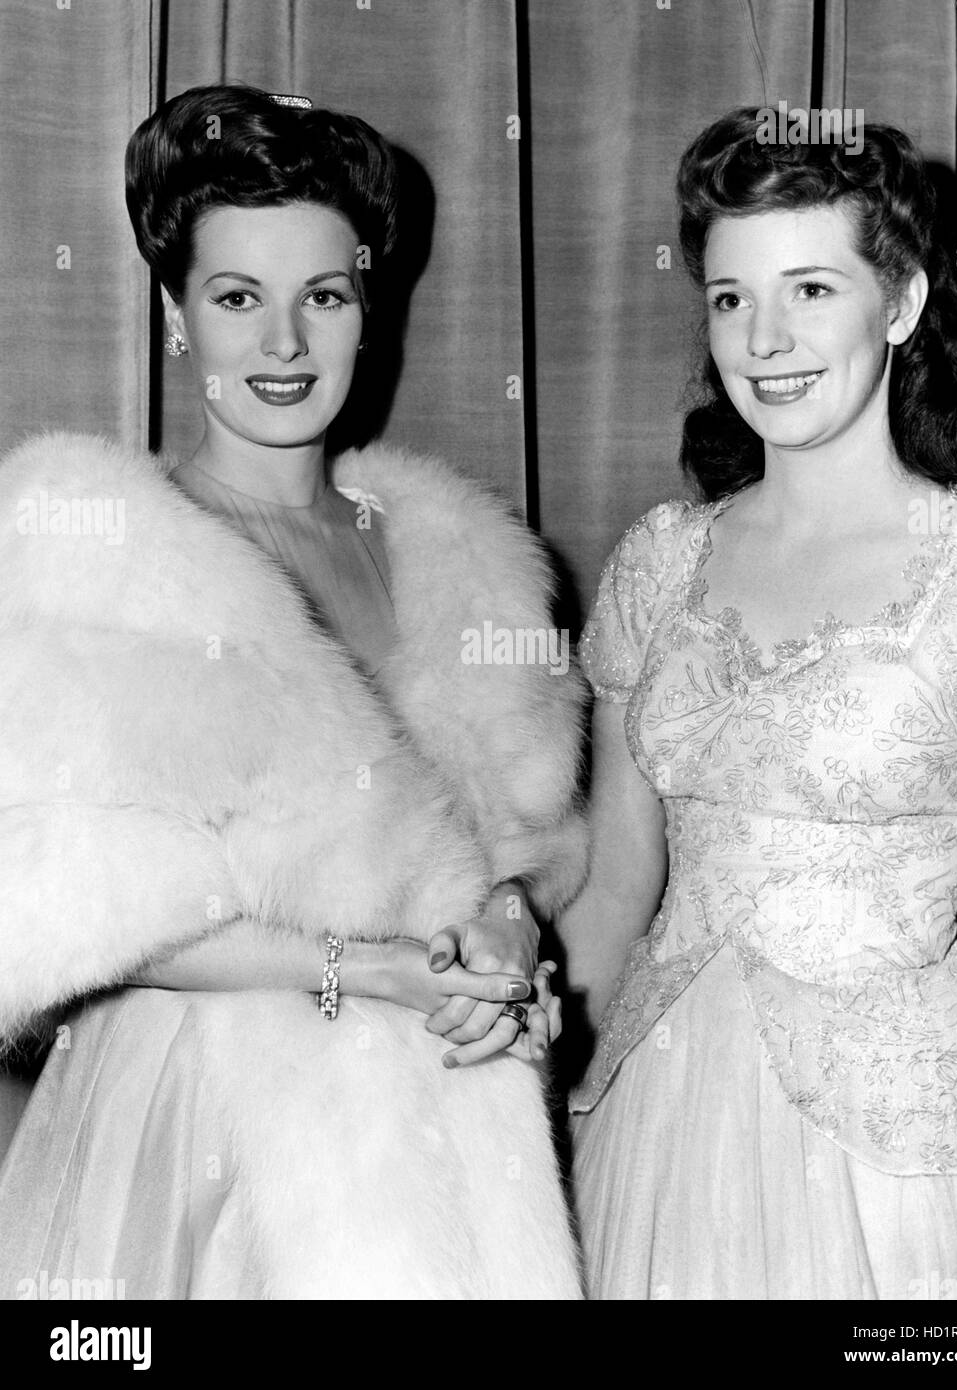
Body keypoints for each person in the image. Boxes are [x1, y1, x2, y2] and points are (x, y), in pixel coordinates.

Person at [0, 85, 586, 1300]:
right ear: (176, 316)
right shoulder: (100, 549)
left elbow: (528, 843)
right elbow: (61, 910)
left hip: (453, 1128)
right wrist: (362, 972)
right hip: (216, 1140)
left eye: (321, 296)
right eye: (235, 299)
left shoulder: (451, 550)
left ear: (368, 309)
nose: (283, 345)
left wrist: (510, 922)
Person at [560, 107, 957, 1300]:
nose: (763, 338)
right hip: (652, 1144)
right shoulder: (661, 559)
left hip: (900, 1175)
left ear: (906, 302)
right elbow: (615, 900)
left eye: (812, 288)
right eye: (729, 297)